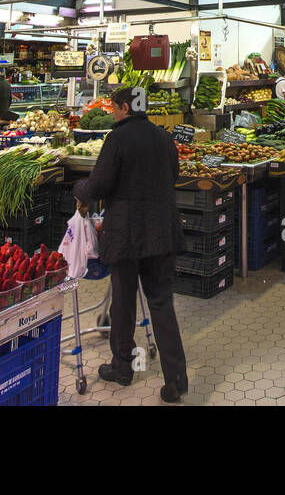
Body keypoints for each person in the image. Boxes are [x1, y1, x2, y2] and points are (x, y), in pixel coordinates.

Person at [73, 86, 188, 401]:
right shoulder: (164, 138)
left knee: (122, 302)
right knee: (162, 303)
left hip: (126, 234)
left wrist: (79, 189)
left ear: (125, 107)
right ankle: (176, 380)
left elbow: (98, 185)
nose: (112, 113)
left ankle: (122, 367)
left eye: (114, 108)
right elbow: (173, 175)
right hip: (162, 232)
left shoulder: (118, 138)